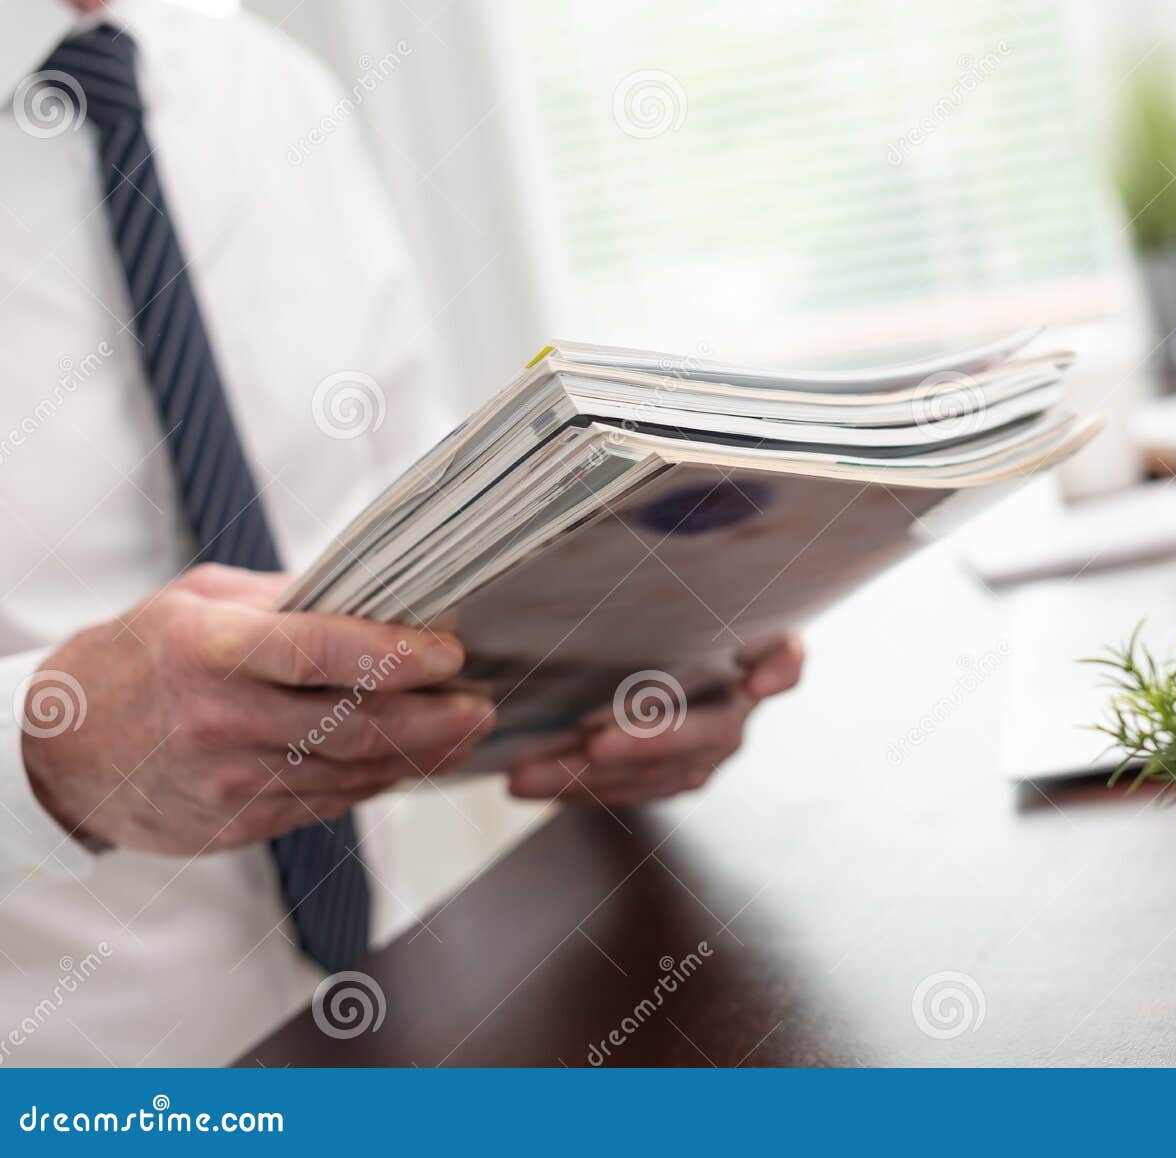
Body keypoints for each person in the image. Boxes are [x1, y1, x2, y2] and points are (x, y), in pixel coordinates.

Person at [0, 0, 803, 1064]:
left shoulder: (270, 90)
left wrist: (615, 660)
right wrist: (48, 754)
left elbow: (403, 552)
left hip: (390, 1020)